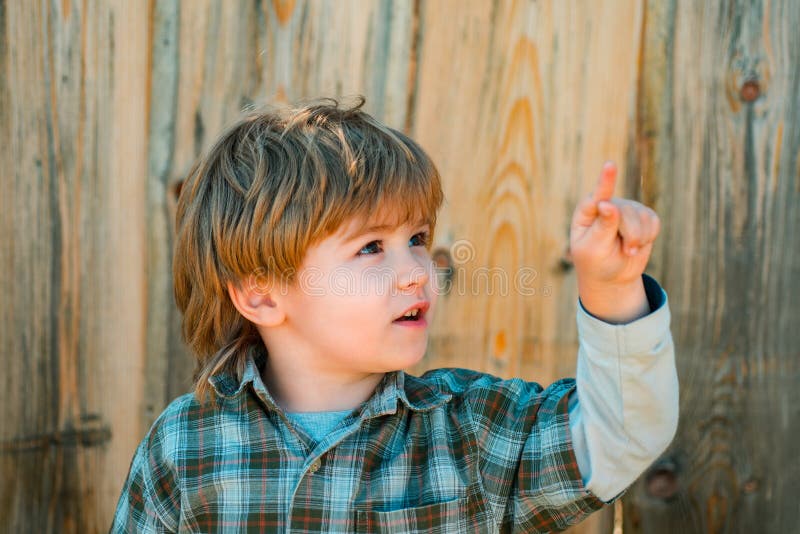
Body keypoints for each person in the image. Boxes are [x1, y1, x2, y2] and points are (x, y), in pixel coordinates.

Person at [110, 96, 678, 533]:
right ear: (262, 295)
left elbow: (620, 436)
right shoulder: (186, 449)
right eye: (371, 248)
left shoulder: (472, 435)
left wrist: (612, 289)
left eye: (418, 239)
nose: (417, 272)